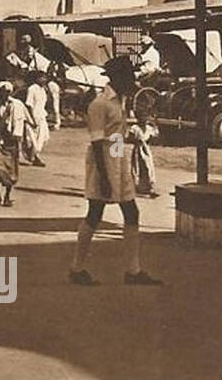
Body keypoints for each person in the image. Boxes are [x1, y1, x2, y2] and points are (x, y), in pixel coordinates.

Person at [69, 55, 162, 286]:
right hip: (103, 164)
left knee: (132, 213)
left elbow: (116, 136)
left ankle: (133, 270)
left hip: (118, 161)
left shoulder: (120, 100)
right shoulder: (99, 105)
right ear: (116, 78)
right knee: (95, 213)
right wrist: (104, 177)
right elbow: (98, 143)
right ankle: (77, 268)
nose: (131, 82)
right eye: (127, 77)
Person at [0, 81, 25, 207]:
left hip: (10, 141)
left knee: (10, 170)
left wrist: (17, 137)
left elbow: (20, 122)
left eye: (7, 93)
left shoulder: (16, 105)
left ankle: (7, 196)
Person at [128, 107, 159, 198]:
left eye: (146, 117)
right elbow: (129, 138)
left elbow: (155, 138)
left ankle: (149, 186)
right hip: (138, 150)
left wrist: (154, 130)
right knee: (137, 167)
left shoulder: (149, 128)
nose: (144, 119)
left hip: (146, 150)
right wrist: (136, 140)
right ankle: (136, 186)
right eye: (142, 117)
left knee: (148, 167)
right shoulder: (135, 128)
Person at [22, 70, 50, 167]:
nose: (44, 79)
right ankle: (35, 157)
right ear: (36, 79)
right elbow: (29, 104)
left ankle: (33, 156)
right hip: (34, 116)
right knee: (33, 139)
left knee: (44, 137)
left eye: (45, 77)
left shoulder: (43, 89)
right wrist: (31, 119)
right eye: (42, 77)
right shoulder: (32, 89)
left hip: (42, 116)